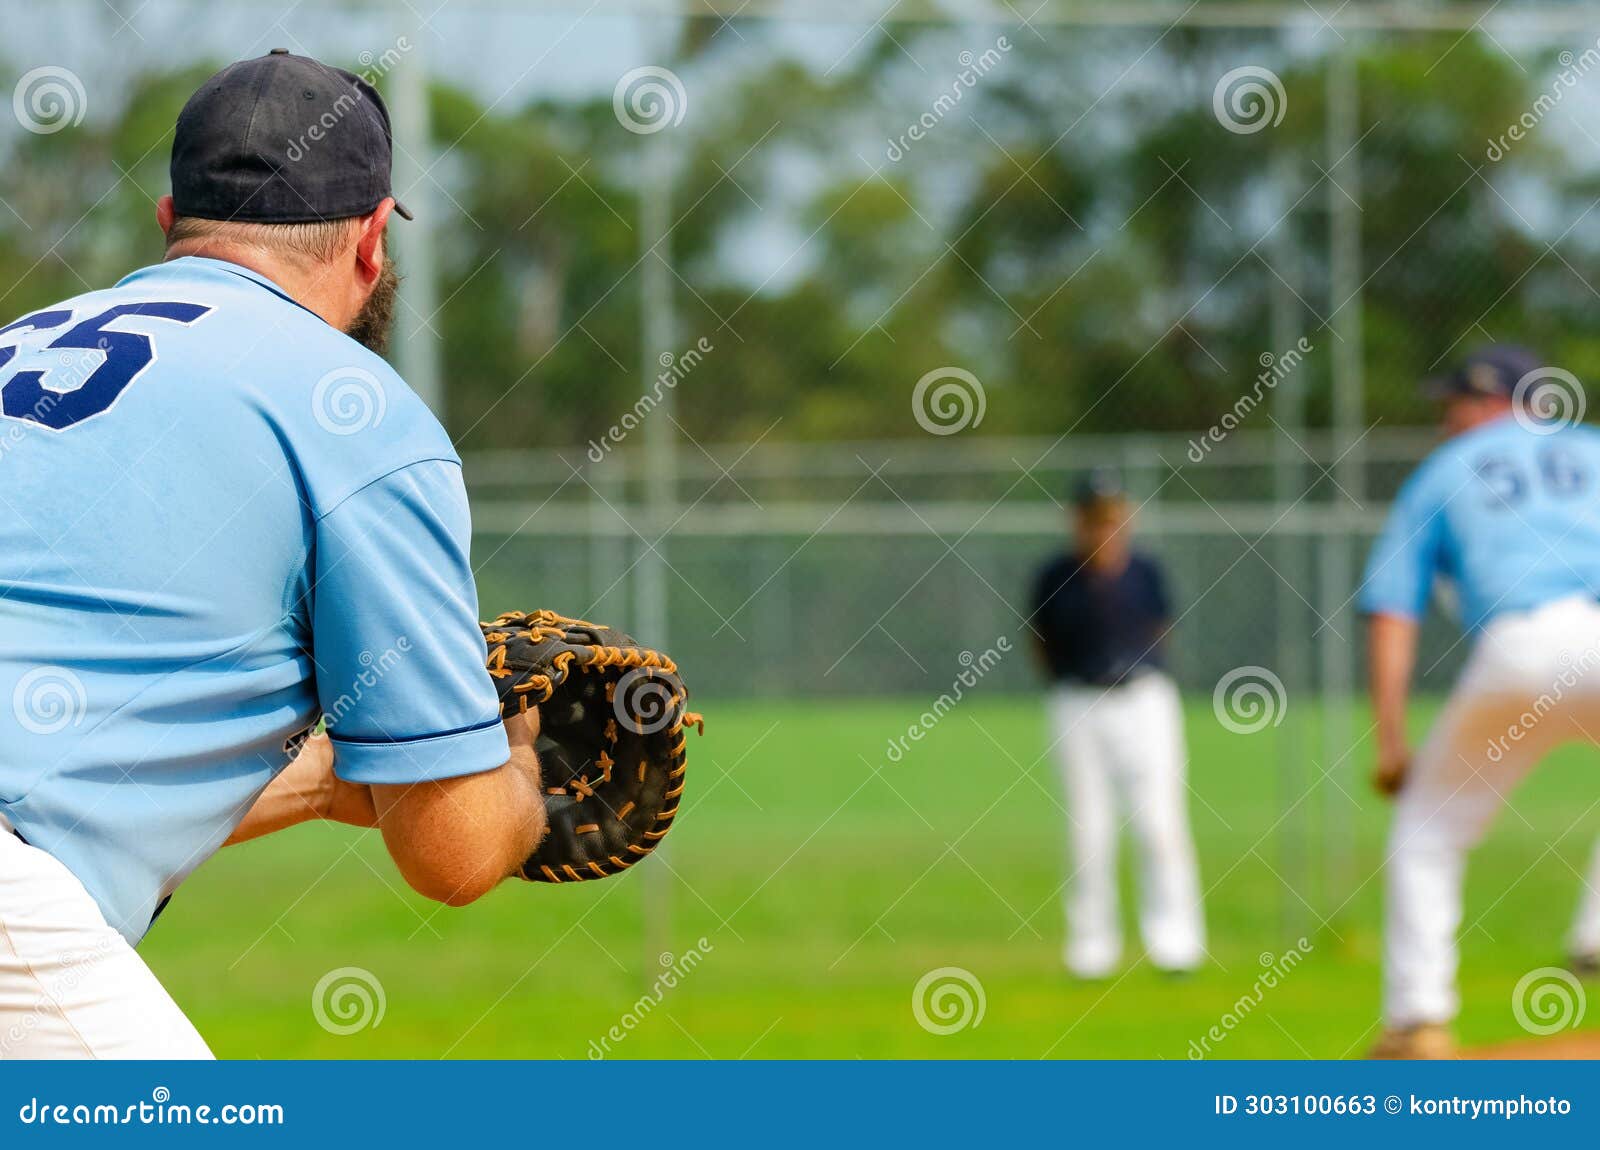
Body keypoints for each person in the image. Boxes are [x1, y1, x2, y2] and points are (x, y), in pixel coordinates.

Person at [0, 51, 546, 1059]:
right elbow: (455, 853)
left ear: (170, 224)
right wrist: (518, 778)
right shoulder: (356, 408)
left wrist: (350, 775)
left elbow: (60, 758)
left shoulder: (18, 343)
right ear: (374, 240)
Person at [1360, 344, 1600, 1059]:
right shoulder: (1589, 447)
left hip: (1521, 647)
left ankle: (1418, 1019)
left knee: (1428, 830)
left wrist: (1392, 741)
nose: (1445, 419)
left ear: (1491, 402)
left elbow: (1391, 608)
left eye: (1453, 404)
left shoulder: (1444, 470)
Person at [1028, 470, 1206, 979]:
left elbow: (1160, 630)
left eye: (1111, 516)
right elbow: (1039, 642)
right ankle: (1092, 948)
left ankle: (1176, 943)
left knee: (1159, 823)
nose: (1103, 527)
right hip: (1079, 701)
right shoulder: (1054, 576)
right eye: (1093, 517)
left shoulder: (1145, 571)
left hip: (1143, 700)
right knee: (1088, 829)